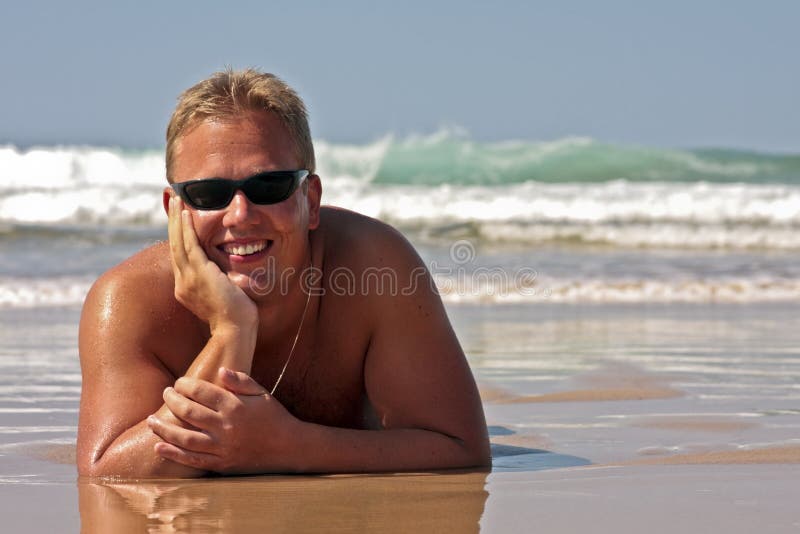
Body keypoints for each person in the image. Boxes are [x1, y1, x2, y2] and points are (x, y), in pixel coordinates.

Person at [76, 68, 490, 477]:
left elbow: (461, 448)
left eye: (269, 187)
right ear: (174, 209)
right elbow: (107, 473)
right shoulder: (127, 300)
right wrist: (231, 330)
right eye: (209, 194)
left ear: (311, 200)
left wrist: (291, 446)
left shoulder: (376, 265)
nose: (240, 215)